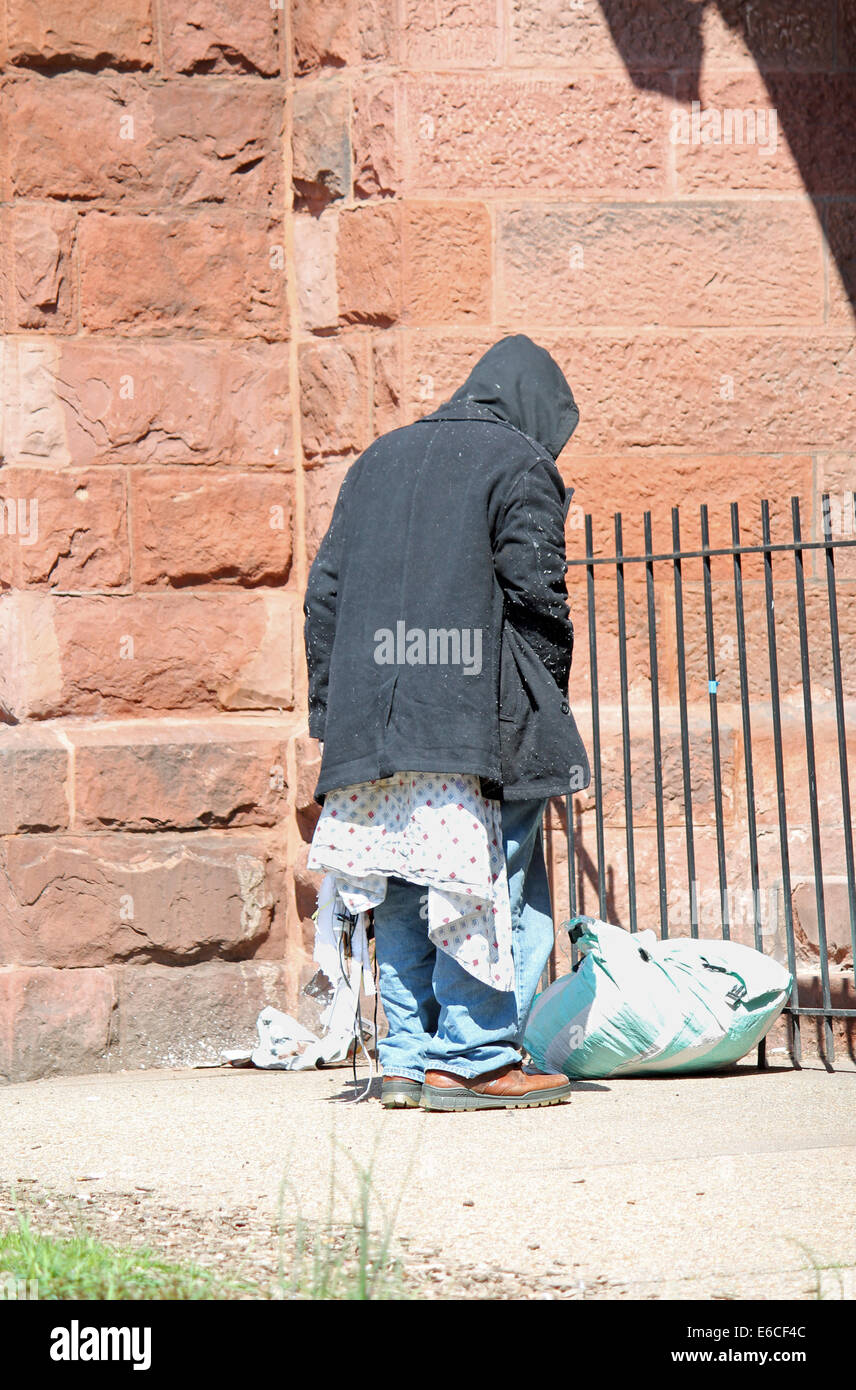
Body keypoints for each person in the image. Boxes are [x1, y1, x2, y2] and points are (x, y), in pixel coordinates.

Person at [303, 334, 590, 1111]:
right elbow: (539, 602)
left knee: (402, 882)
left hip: (375, 727)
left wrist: (332, 713)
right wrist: (542, 708)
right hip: (472, 723)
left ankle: (406, 1057)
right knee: (483, 882)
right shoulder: (520, 463)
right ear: (536, 410)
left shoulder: (375, 461)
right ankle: (475, 1057)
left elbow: (324, 593)